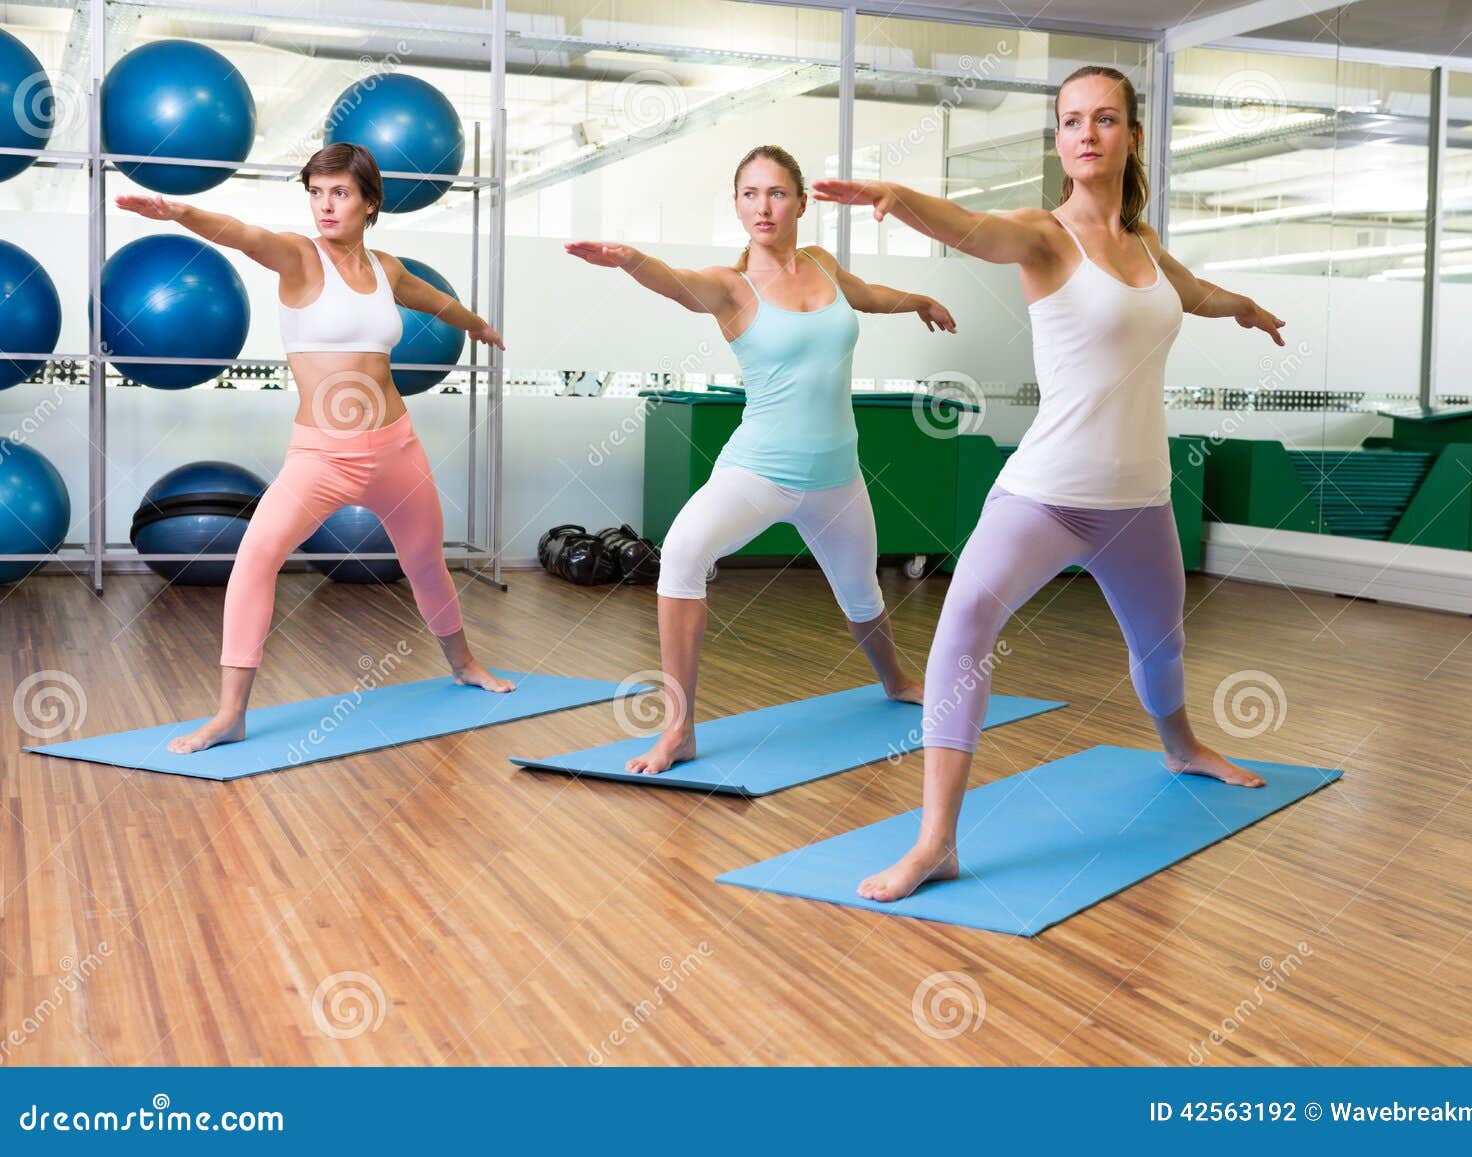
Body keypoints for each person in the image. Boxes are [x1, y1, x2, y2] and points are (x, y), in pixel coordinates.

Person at [809, 67, 1287, 902]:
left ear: (1133, 135)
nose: (1086, 134)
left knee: (1161, 648)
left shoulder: (1144, 244)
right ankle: (936, 841)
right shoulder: (1044, 236)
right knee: (963, 626)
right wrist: (901, 197)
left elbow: (1192, 292)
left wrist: (1243, 306)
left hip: (1141, 500)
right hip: (1047, 494)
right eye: (1070, 121)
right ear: (1059, 140)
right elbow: (972, 229)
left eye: (1104, 119)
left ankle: (1181, 746)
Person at [566, 144, 957, 774]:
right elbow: (677, 284)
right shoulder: (732, 286)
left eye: (776, 193)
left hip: (838, 478)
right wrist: (632, 260)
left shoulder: (823, 264)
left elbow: (865, 295)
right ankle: (679, 729)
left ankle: (897, 681)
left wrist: (917, 300)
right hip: (759, 471)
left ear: (800, 203)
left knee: (861, 595)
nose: (763, 207)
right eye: (750, 194)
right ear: (737, 205)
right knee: (683, 555)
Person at [117, 142, 514, 755]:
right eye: (316, 192)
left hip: (397, 447)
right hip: (322, 456)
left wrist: (476, 325)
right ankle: (230, 715)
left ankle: (464, 665)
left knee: (425, 561)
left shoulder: (386, 269)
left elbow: (431, 299)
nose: (325, 205)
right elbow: (242, 235)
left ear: (370, 203)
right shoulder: (300, 258)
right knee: (255, 559)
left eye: (340, 193)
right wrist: (181, 213)